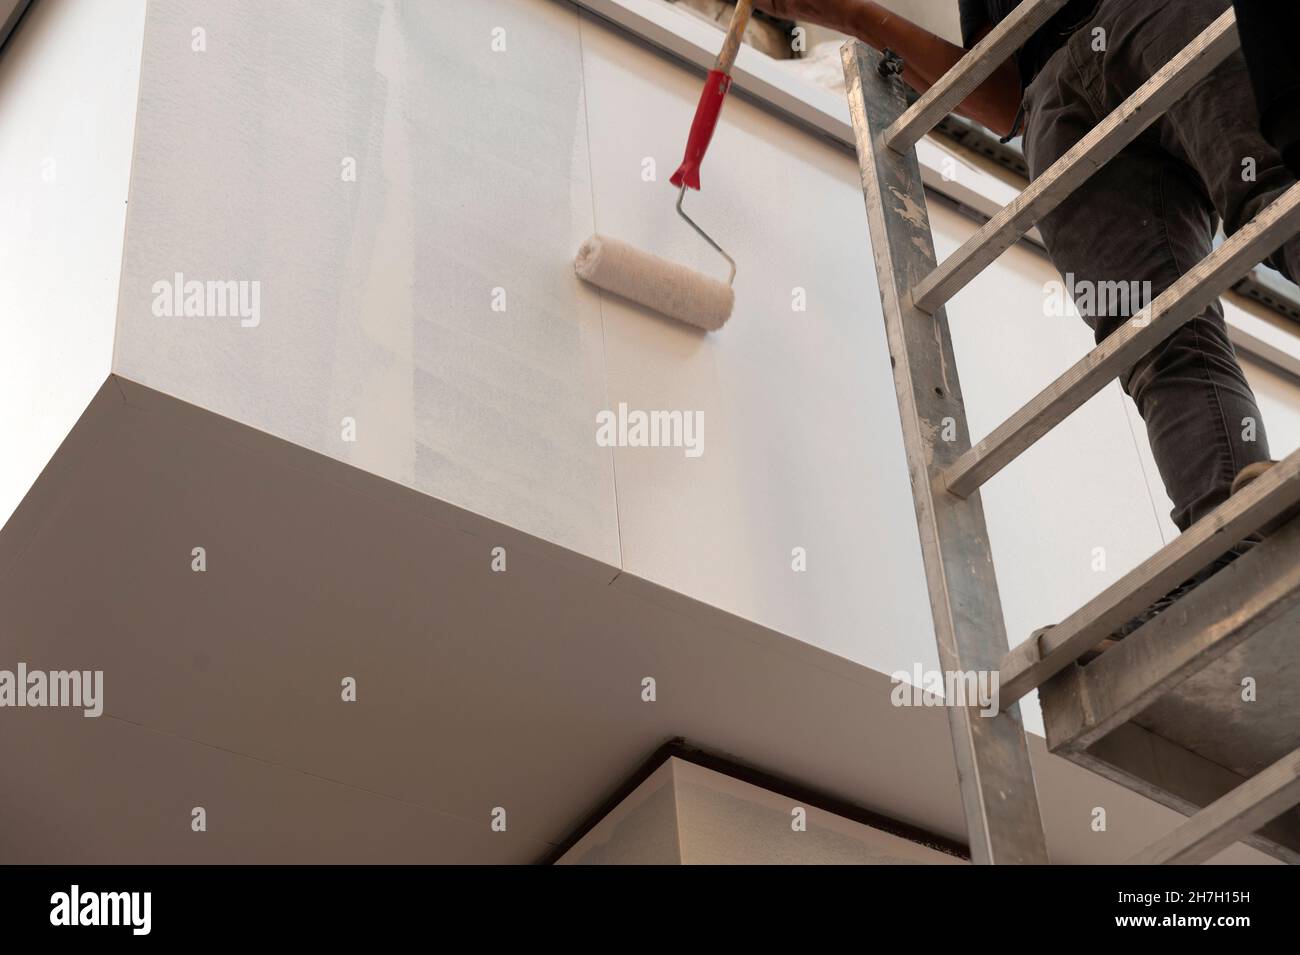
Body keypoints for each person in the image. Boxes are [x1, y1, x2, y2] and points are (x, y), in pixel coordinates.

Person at [754, 0, 1300, 647]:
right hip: (1053, 98)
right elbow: (1000, 96)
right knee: (1154, 337)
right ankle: (1231, 538)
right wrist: (849, 15)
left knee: (1275, 200)